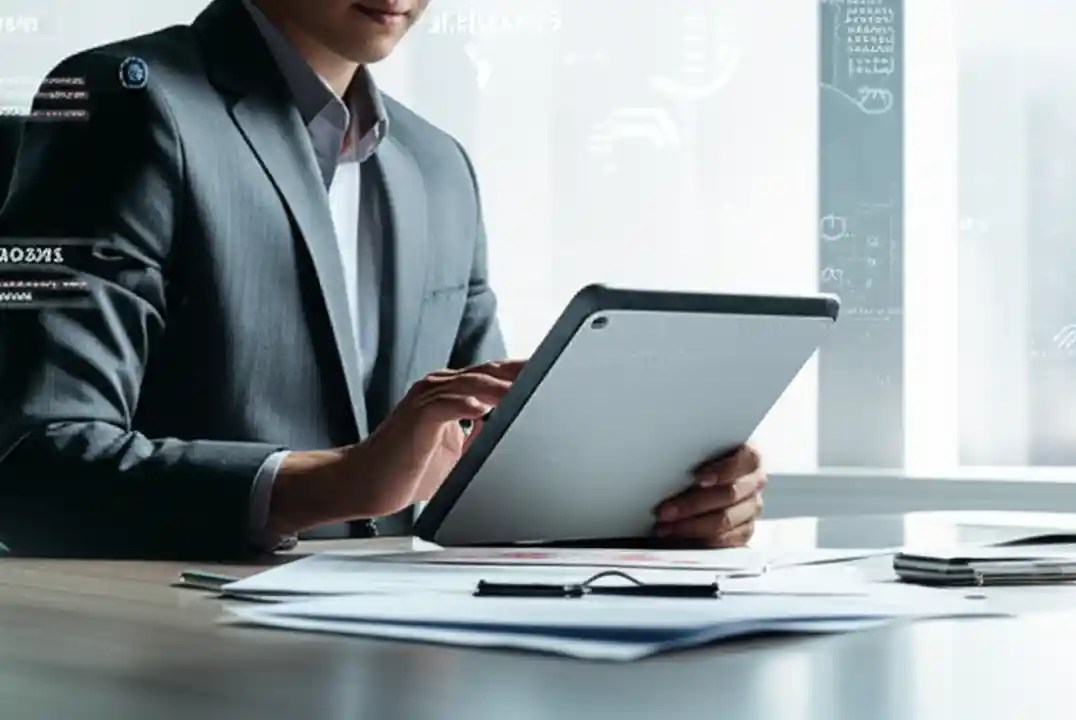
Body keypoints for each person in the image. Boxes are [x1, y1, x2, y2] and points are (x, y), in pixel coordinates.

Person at [0, 0, 766, 558]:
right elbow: (32, 464)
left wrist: (662, 508)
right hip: (170, 655)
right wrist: (331, 482)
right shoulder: (126, 100)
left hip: (399, 655)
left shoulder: (439, 166)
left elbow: (485, 468)